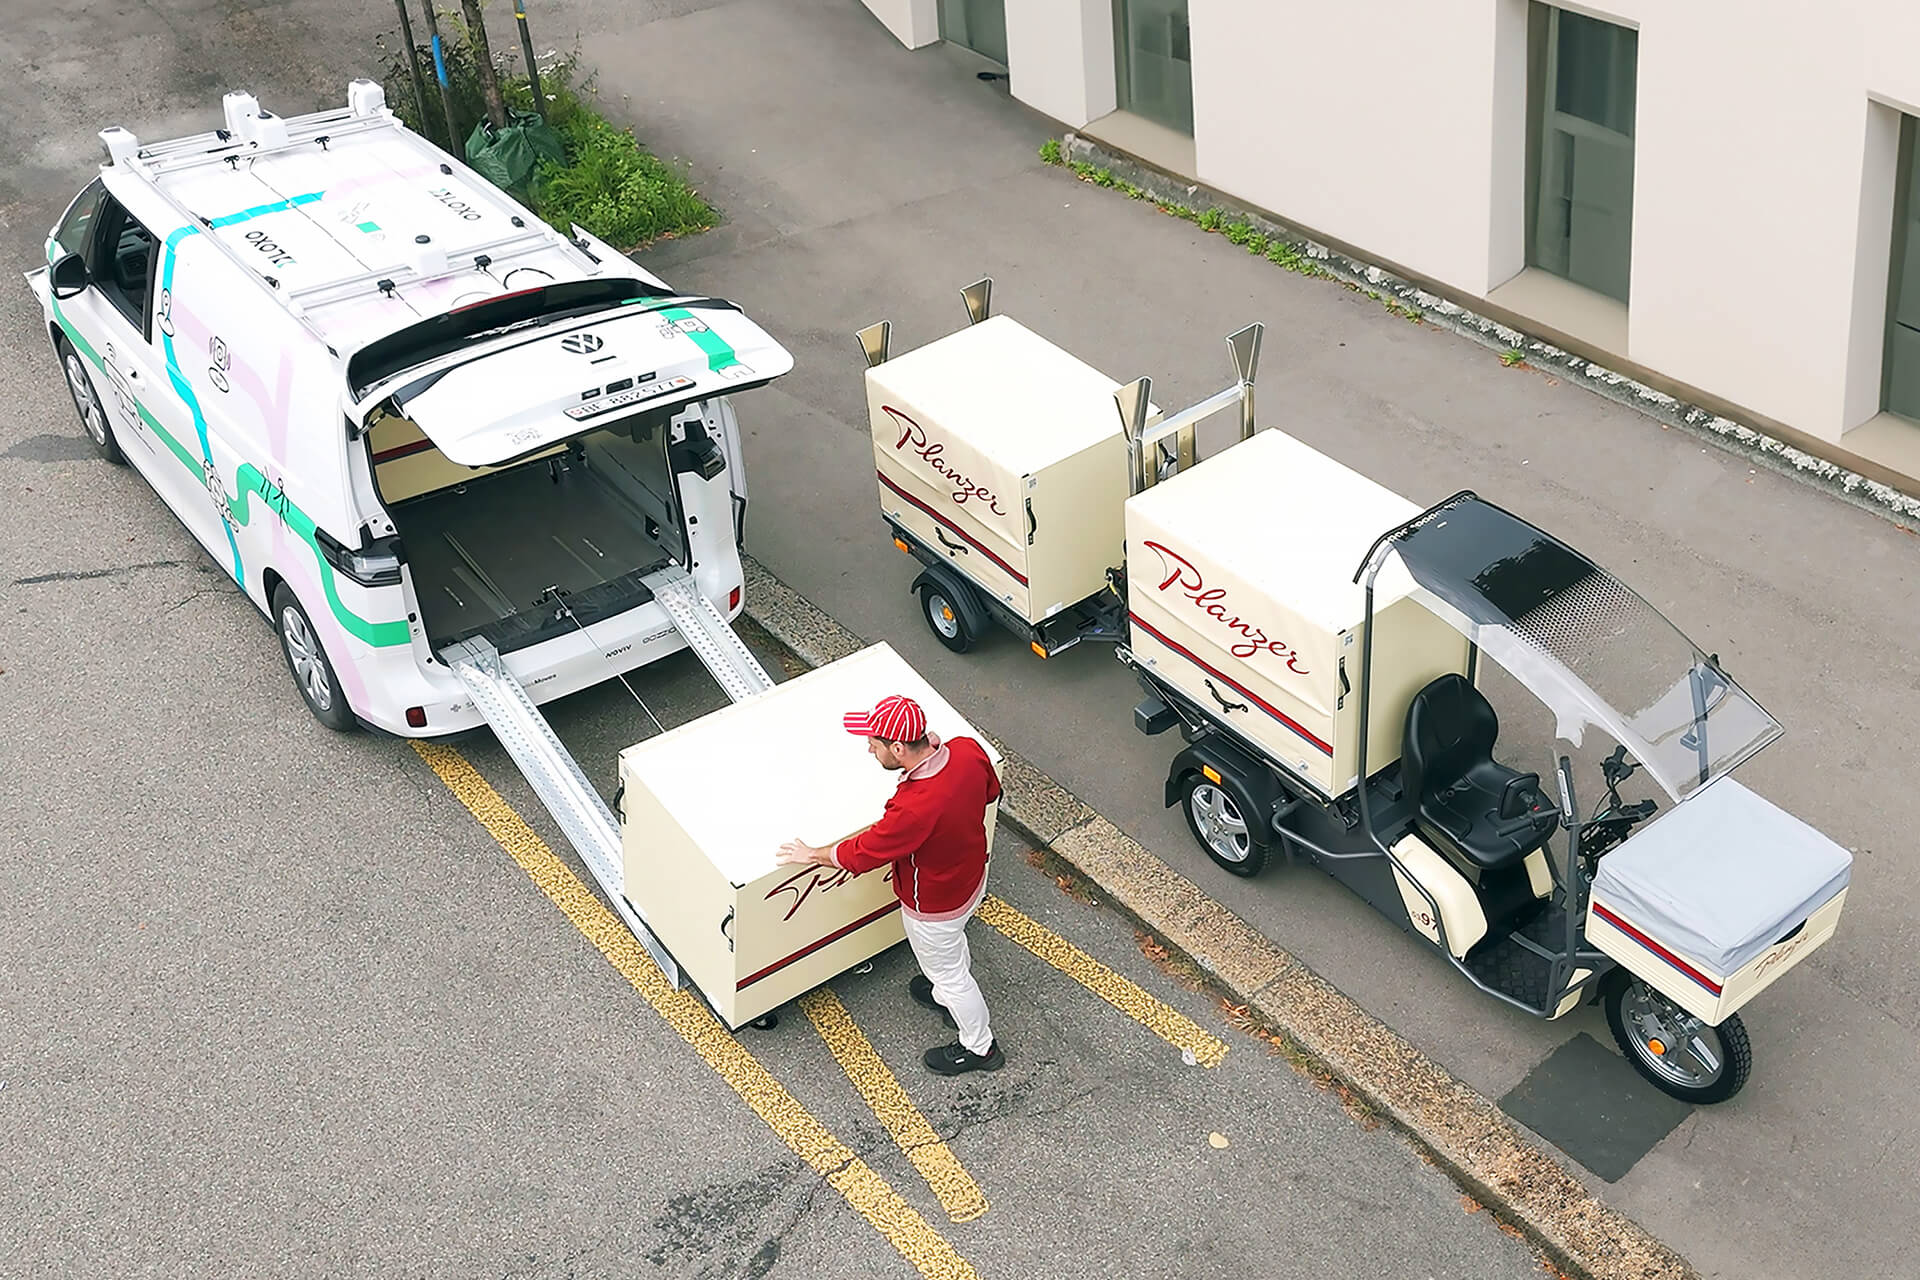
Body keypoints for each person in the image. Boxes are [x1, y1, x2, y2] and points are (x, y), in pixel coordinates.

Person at [778, 694, 1004, 1075]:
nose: (869, 748)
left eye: (874, 743)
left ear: (898, 748)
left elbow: (864, 852)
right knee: (950, 955)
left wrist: (812, 853)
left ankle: (979, 1046)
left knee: (952, 976)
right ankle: (944, 993)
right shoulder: (967, 751)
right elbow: (991, 793)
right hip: (970, 878)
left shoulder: (915, 807)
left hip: (934, 905)